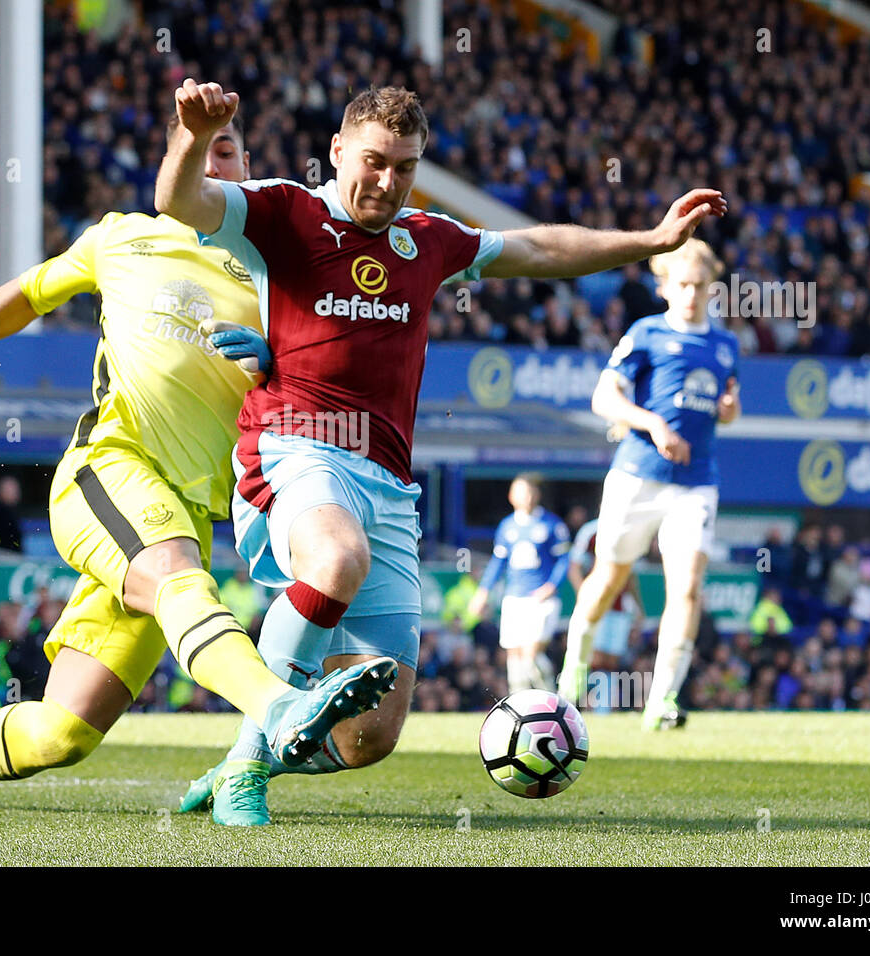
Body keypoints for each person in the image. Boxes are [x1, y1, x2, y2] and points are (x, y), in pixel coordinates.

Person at [156, 79, 724, 823]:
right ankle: (242, 768)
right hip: (293, 446)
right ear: (336, 152)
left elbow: (538, 247)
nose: (387, 181)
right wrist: (194, 138)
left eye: (405, 167)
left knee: (371, 735)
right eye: (373, 161)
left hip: (388, 483)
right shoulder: (284, 211)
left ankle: (250, 756)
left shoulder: (425, 239)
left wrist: (648, 242)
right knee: (336, 559)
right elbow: (179, 201)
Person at [0, 108, 396, 809]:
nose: (217, 166)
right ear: (175, 166)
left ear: (248, 170)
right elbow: (28, 294)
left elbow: (332, 365)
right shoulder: (122, 237)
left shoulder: (271, 269)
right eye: (202, 153)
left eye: (229, 153)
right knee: (180, 581)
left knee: (61, 734)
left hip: (186, 512)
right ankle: (280, 711)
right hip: (109, 467)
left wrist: (278, 357)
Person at [559, 239, 741, 731]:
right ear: (664, 286)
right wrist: (653, 424)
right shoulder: (647, 333)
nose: (690, 293)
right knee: (609, 578)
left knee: (687, 590)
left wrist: (728, 411)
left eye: (700, 285)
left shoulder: (725, 344)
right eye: (682, 284)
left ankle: (662, 700)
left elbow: (728, 404)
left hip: (697, 481)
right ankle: (572, 675)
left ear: (712, 287)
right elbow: (604, 398)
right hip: (637, 475)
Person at [465, 474, 570, 693]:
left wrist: (551, 586)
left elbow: (564, 560)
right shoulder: (507, 526)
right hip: (514, 596)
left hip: (541, 598)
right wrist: (483, 592)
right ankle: (519, 700)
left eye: (531, 492)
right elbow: (498, 562)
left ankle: (551, 699)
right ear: (512, 496)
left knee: (531, 654)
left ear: (537, 495)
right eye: (522, 492)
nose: (527, 497)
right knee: (514, 655)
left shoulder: (552, 525)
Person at [558, 516, 642, 711]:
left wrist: (638, 608)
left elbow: (631, 576)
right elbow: (575, 567)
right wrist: (585, 597)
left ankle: (603, 709)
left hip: (619, 610)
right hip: (596, 606)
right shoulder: (591, 531)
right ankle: (573, 704)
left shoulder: (630, 529)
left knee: (611, 660)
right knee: (592, 657)